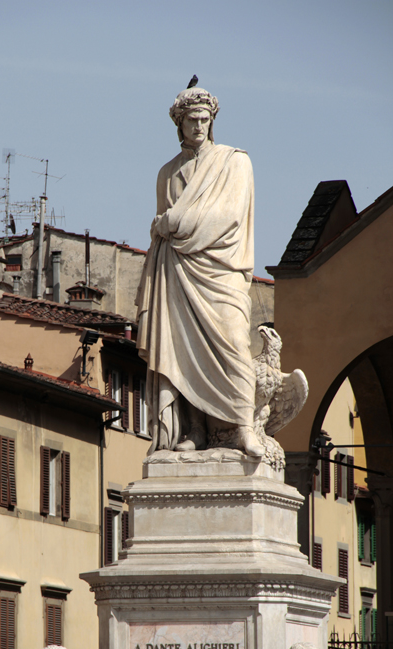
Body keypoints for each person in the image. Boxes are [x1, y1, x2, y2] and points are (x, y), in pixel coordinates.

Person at [136, 84, 264, 458]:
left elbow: (229, 216)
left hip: (222, 270)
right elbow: (160, 227)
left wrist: (174, 221)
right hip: (178, 271)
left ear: (213, 121)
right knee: (182, 349)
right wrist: (167, 225)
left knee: (235, 342)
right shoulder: (167, 173)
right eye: (192, 120)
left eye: (205, 119)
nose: (199, 126)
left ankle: (244, 427)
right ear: (179, 123)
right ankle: (195, 431)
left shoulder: (234, 162)